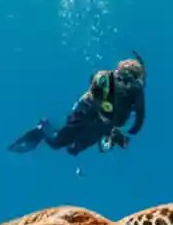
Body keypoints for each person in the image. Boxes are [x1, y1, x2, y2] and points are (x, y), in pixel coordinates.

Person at [8, 51, 146, 156]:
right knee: (63, 144)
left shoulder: (121, 84)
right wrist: (133, 128)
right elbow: (139, 114)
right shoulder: (128, 86)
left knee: (70, 148)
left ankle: (47, 131)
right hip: (92, 115)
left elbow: (134, 114)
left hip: (96, 119)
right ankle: (43, 128)